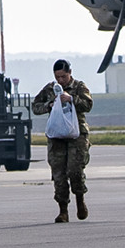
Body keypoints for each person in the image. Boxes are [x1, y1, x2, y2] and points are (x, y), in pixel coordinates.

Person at [33, 59, 94, 221]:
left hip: (76, 134)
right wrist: (50, 105)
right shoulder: (50, 89)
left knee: (74, 170)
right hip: (57, 135)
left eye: (63, 76)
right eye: (57, 77)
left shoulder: (80, 87)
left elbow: (88, 105)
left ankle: (80, 199)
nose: (60, 80)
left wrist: (72, 99)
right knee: (58, 174)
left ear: (70, 73)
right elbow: (35, 106)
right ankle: (63, 210)